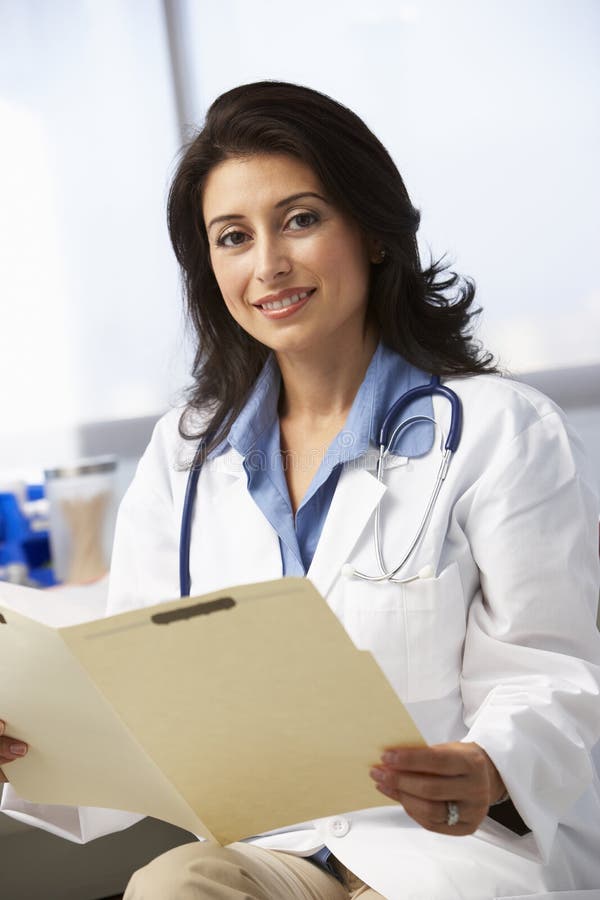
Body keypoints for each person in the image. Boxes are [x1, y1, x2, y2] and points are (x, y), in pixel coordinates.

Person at [2, 81, 600, 900]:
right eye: (234, 237)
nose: (268, 264)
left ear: (374, 231)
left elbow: (553, 670)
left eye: (301, 219)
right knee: (171, 885)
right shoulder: (185, 451)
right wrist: (36, 734)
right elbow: (130, 679)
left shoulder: (502, 430)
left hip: (446, 854)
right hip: (269, 848)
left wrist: (488, 765)